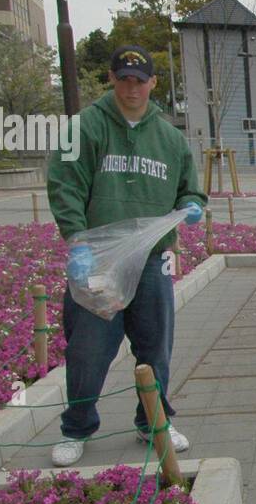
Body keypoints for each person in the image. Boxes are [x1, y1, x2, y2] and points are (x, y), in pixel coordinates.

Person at [46, 45, 207, 467]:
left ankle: (153, 421)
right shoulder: (85, 128)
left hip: (152, 260)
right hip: (97, 262)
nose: (131, 87)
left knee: (155, 347)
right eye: (124, 79)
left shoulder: (169, 138)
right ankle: (76, 427)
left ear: (153, 83)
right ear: (112, 81)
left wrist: (192, 205)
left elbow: (189, 187)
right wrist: (76, 240)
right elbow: (66, 184)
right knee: (88, 349)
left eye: (140, 80)